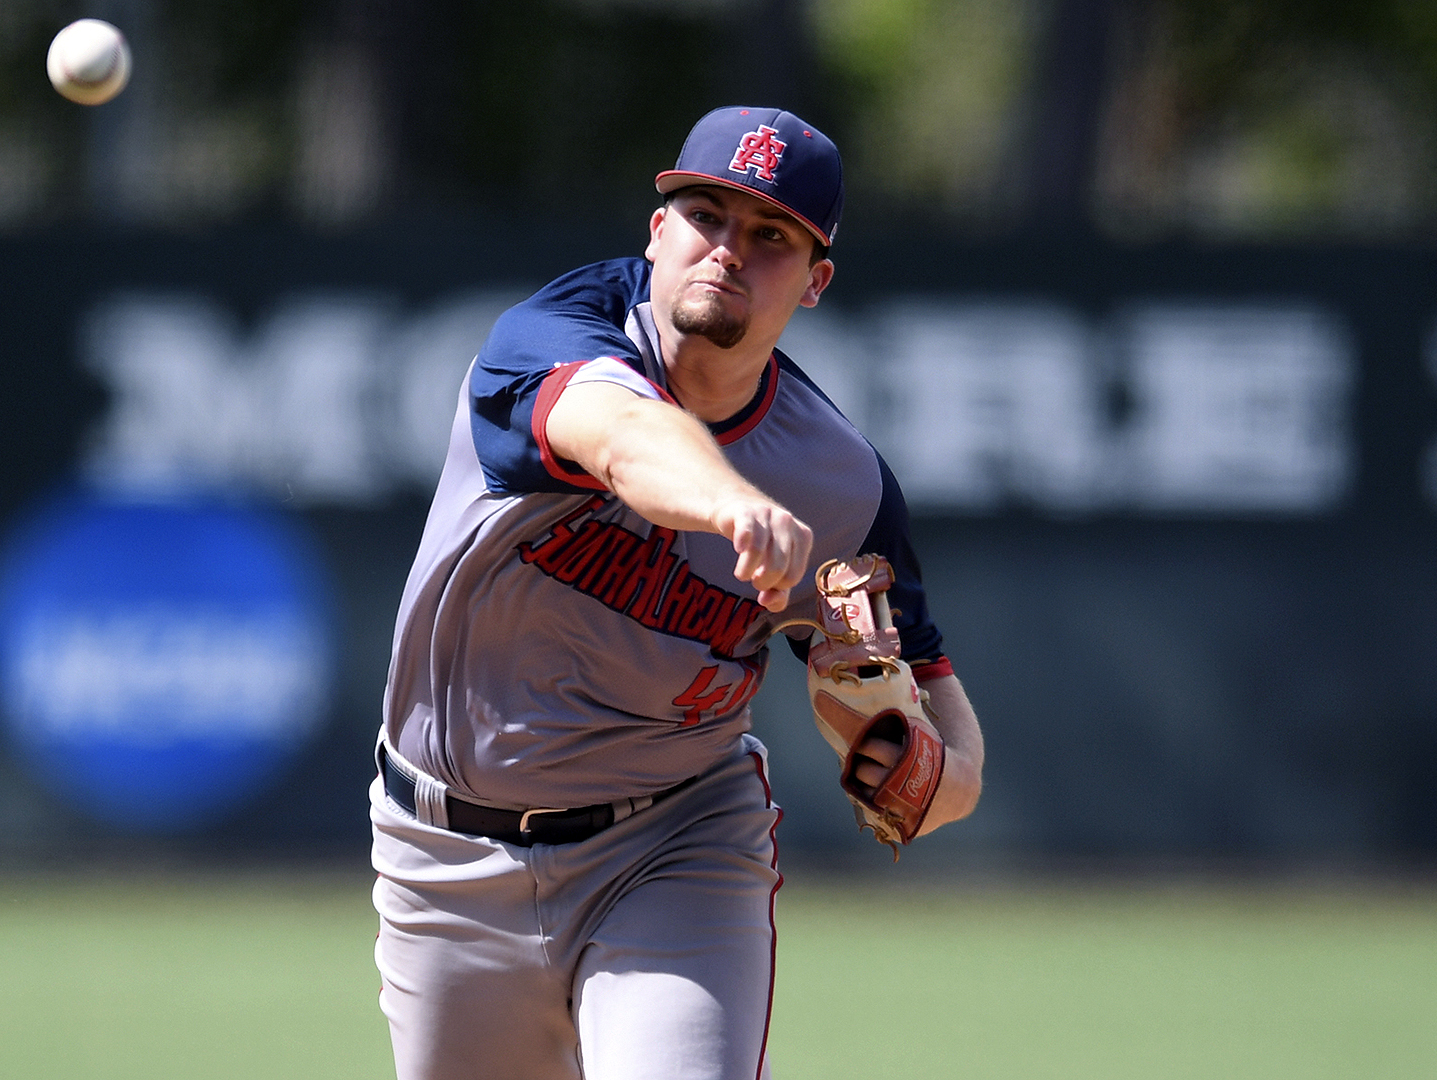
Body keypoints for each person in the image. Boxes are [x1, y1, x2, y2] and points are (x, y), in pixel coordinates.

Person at [370, 105, 984, 1080]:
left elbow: (940, 711)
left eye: (771, 235)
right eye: (707, 216)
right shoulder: (548, 339)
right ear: (658, 231)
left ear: (815, 281)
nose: (729, 249)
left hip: (673, 846)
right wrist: (729, 502)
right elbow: (622, 435)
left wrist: (938, 778)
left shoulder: (841, 484)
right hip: (446, 858)